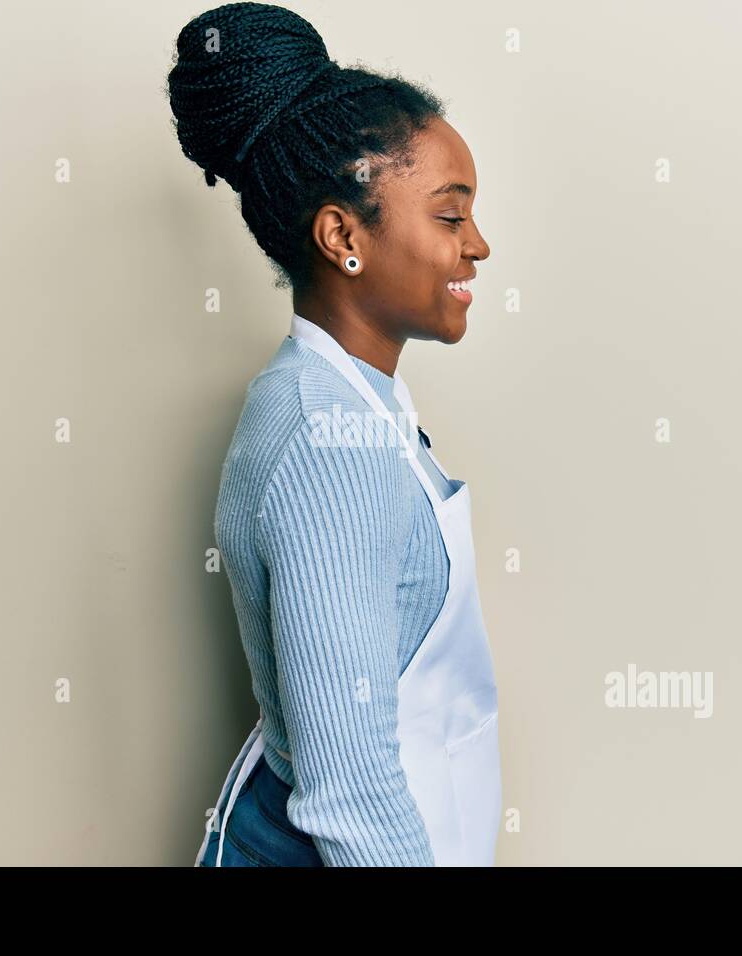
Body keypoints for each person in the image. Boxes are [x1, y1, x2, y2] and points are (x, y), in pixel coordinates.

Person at [169, 1, 500, 867]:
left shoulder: (363, 404)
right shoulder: (327, 441)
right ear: (342, 235)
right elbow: (349, 792)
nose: (479, 246)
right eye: (450, 216)